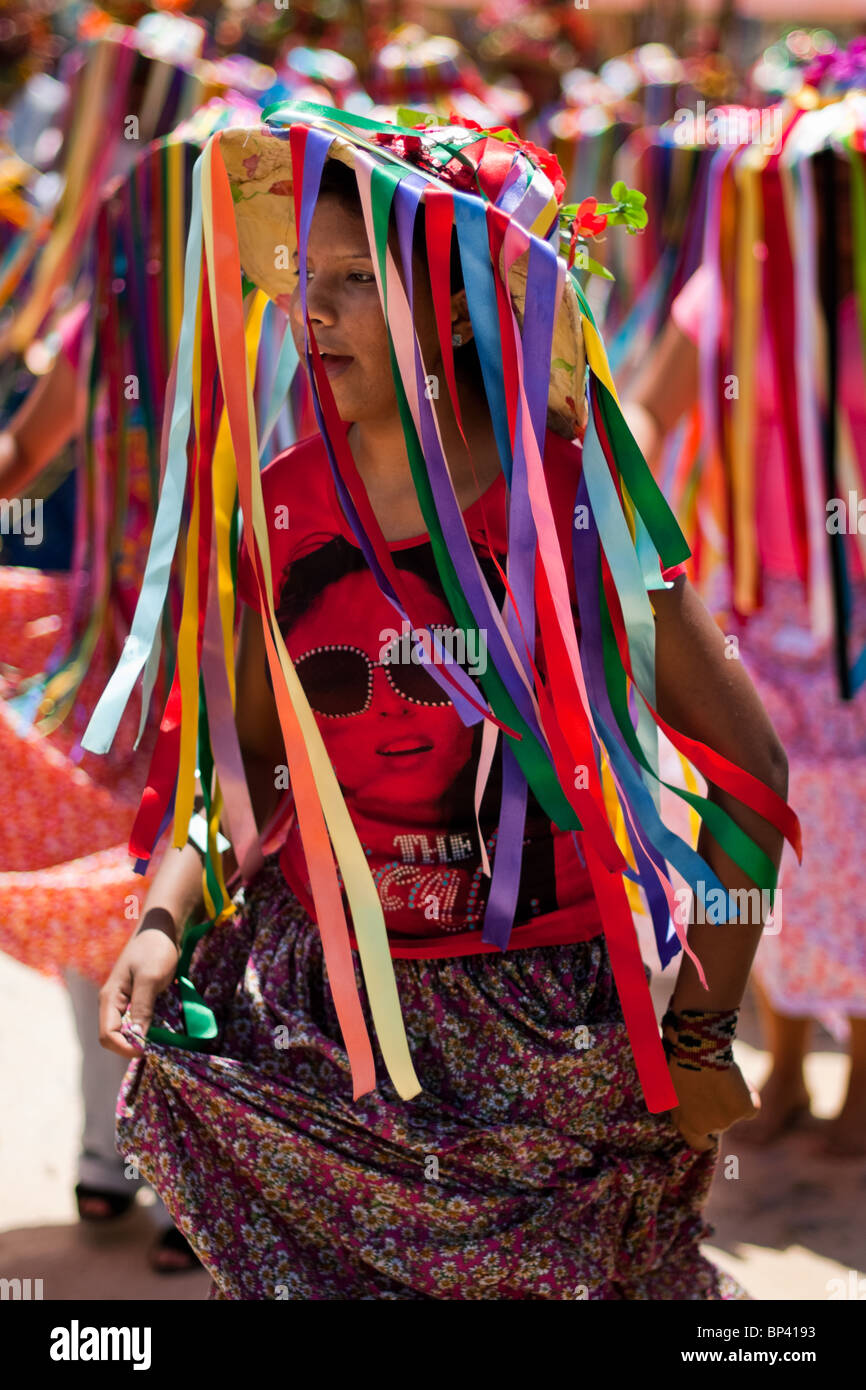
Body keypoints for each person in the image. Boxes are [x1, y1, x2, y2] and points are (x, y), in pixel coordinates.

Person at [95, 110, 794, 1300]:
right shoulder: (276, 510)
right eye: (300, 280)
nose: (311, 312)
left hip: (546, 1034)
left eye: (356, 281)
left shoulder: (567, 510)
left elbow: (748, 771)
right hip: (327, 1026)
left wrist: (697, 1034)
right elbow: (249, 777)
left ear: (461, 305)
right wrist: (163, 919)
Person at [622, 175, 866, 1156]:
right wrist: (602, 482)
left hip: (853, 620)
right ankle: (788, 1055)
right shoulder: (724, 289)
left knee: (855, 848)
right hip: (755, 613)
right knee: (759, 828)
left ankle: (855, 1089)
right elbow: (646, 404)